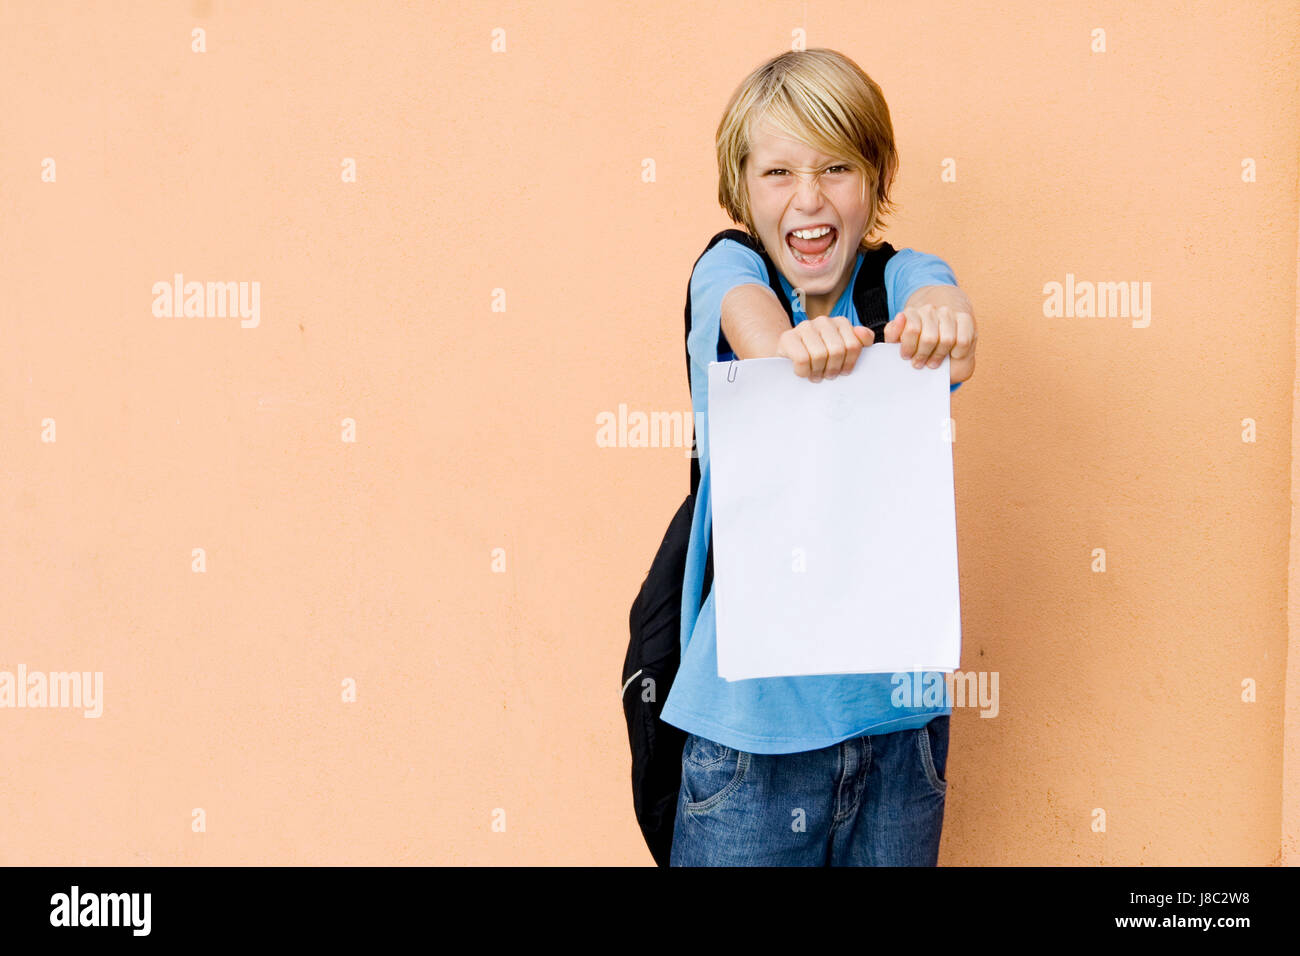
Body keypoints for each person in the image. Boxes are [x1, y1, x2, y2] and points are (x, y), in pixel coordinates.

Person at [660, 48, 977, 866]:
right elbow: (756, 331)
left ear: (875, 178)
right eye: (778, 172)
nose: (809, 198)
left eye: (836, 167)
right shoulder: (731, 267)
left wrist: (942, 322)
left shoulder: (901, 277)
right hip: (749, 738)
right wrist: (796, 345)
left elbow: (945, 310)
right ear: (743, 189)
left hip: (902, 733)